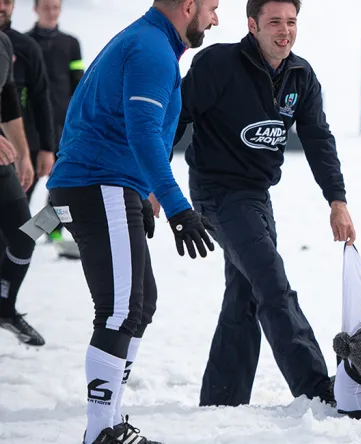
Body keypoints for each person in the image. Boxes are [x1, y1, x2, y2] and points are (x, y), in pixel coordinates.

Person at [45, 1, 220, 443]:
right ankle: (101, 432)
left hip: (105, 184)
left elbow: (104, 119)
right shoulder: (151, 50)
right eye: (213, 8)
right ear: (188, 6)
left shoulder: (147, 41)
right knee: (120, 310)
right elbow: (142, 132)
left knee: (141, 306)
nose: (216, 19)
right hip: (99, 185)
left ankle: (110, 423)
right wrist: (177, 206)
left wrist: (142, 191)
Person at [172, 0, 355, 409]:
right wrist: (154, 185)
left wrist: (337, 200)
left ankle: (221, 398)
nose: (284, 30)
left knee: (245, 293)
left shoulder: (300, 75)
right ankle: (317, 391)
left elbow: (319, 140)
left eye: (291, 22)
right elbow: (175, 119)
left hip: (256, 194)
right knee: (271, 281)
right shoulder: (218, 63)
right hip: (214, 191)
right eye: (274, 21)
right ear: (252, 25)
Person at [26, 0, 84, 245]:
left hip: (63, 130)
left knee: (62, 189)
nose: (52, 12)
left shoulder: (71, 43)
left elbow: (79, 87)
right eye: (47, 7)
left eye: (56, 7)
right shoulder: (23, 43)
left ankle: (43, 231)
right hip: (29, 130)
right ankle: (13, 237)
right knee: (22, 187)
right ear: (36, 8)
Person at [0, 30, 41, 346]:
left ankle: (4, 308)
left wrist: (24, 155)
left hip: (3, 159)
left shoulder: (5, 44)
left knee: (25, 235)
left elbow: (9, 100)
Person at [0, 0, 56, 199]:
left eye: (7, 2)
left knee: (23, 217)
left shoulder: (27, 46)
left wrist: (47, 148)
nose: (2, 7)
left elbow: (41, 98)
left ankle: (52, 230)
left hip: (24, 146)